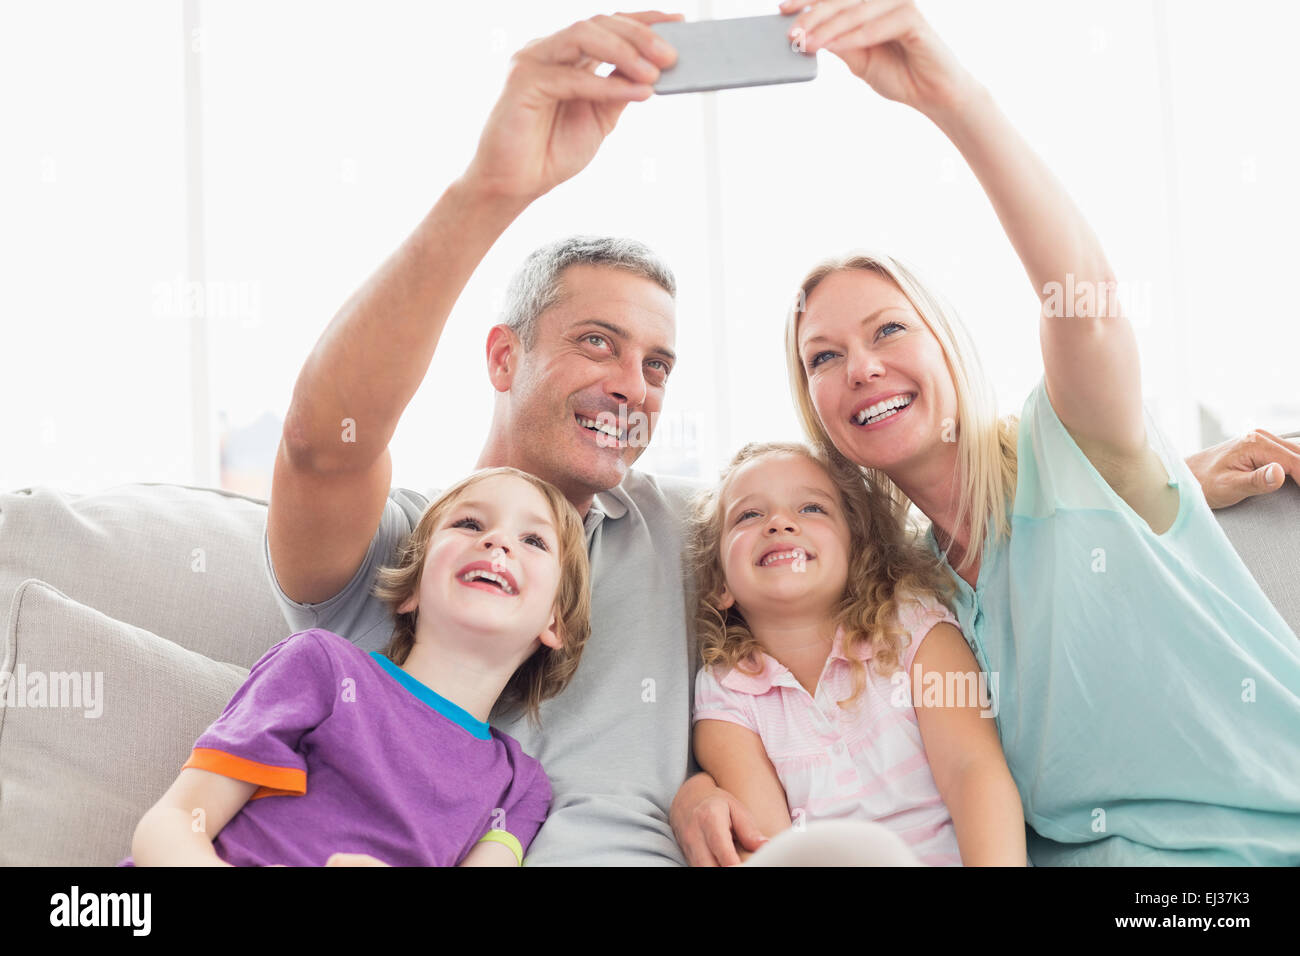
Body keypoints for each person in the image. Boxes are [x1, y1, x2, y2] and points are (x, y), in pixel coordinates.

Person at [264, 8, 1300, 866]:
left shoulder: (678, 529)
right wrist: (489, 189)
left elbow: (869, 506)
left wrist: (1145, 480)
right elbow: (324, 448)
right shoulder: (418, 548)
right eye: (596, 342)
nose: (632, 385)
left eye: (659, 363)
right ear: (502, 357)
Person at [682, 0, 1300, 865]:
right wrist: (694, 785)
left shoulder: (1070, 452)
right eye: (823, 357)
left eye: (889, 332)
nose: (859, 367)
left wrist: (952, 98)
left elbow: (1084, 303)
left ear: (950, 347)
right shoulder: (908, 591)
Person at [126, 468, 590, 866]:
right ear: (411, 588)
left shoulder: (522, 787)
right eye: (469, 523)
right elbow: (169, 828)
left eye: (533, 540)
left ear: (555, 621)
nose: (497, 541)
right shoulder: (321, 666)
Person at [688, 440, 1026, 865]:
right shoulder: (726, 692)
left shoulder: (912, 627)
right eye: (749, 515)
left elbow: (973, 772)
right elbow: (770, 847)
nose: (779, 523)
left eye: (811, 508)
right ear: (721, 584)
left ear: (856, 553)